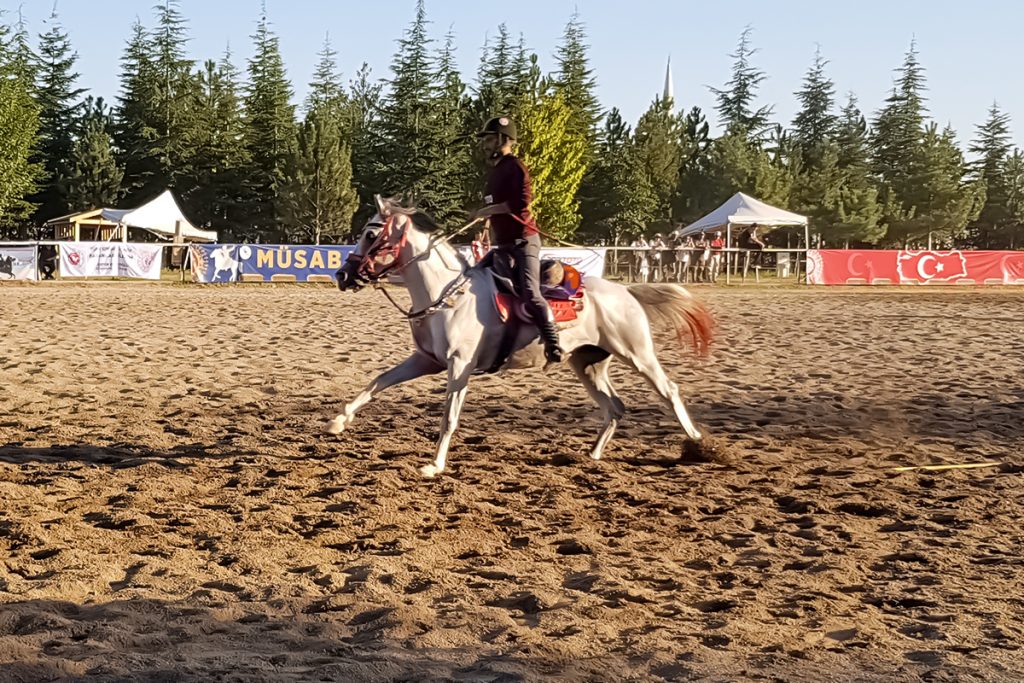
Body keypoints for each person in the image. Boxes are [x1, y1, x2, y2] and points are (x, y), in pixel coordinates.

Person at [471, 116, 562, 364]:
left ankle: (553, 342)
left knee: (531, 293)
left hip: (524, 242)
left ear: (503, 140)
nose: (485, 144)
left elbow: (520, 204)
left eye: (490, 139)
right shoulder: (496, 171)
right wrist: (486, 225)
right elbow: (493, 205)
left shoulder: (516, 168)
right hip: (503, 245)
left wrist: (487, 211)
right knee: (475, 277)